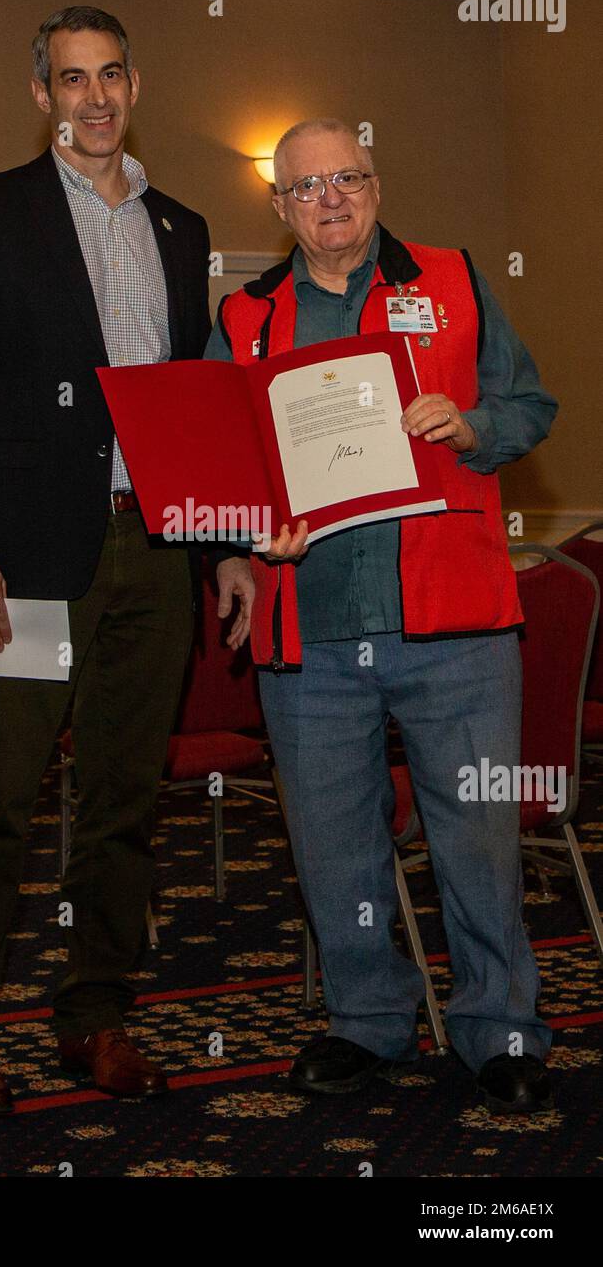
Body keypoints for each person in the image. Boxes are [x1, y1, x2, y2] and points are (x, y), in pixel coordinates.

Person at [206, 118, 559, 1113]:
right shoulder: (245, 317)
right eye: (307, 186)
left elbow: (532, 405)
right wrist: (237, 531)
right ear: (278, 207)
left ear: (374, 183)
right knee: (332, 841)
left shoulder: (450, 277)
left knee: (477, 833)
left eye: (348, 177)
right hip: (305, 626)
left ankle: (500, 1030)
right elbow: (214, 461)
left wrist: (476, 424)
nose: (330, 198)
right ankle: (367, 1023)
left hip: (452, 619)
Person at [0, 6, 211, 1113]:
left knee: (125, 799)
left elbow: (193, 408)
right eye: (72, 79)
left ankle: (95, 1016)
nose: (95, 97)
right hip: (19, 564)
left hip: (155, 553)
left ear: (136, 84)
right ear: (42, 94)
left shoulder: (182, 227)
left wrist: (218, 543)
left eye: (112, 74)